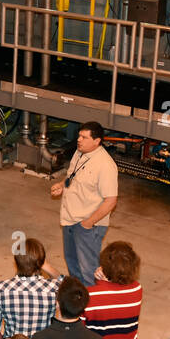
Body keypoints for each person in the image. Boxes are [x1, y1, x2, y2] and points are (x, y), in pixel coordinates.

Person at [49, 121, 119, 284]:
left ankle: (92, 304)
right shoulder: (80, 153)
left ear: (97, 141)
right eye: (79, 136)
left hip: (88, 226)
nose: (79, 140)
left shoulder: (106, 166)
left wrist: (88, 223)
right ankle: (78, 300)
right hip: (69, 219)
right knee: (72, 264)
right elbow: (72, 177)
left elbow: (111, 201)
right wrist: (61, 185)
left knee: (89, 271)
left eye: (84, 137)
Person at [0, 237, 63, 338]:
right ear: (41, 263)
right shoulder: (54, 289)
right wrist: (46, 266)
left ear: (16, 262)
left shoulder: (1, 289)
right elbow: (71, 288)